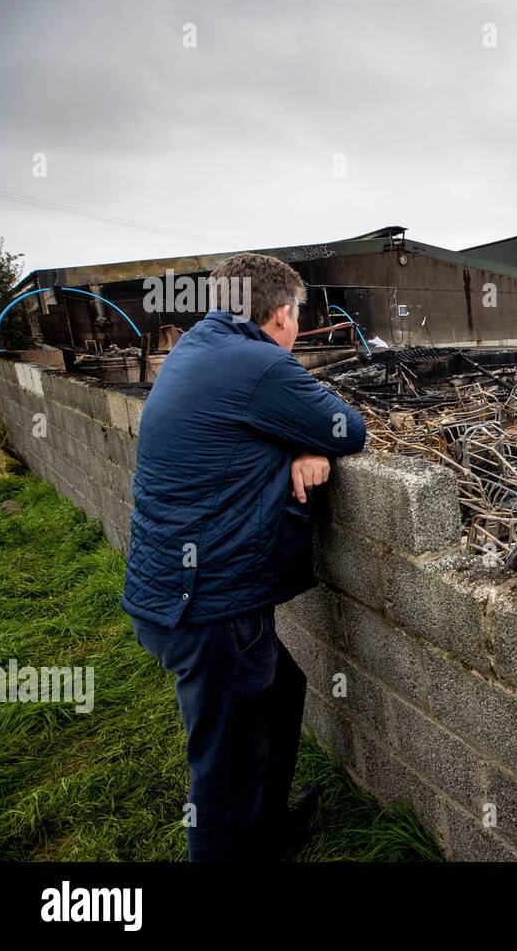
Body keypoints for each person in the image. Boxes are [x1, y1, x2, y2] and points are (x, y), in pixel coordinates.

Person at [122, 252, 367, 860]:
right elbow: (348, 429)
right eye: (297, 316)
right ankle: (235, 843)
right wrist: (307, 445)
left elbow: (236, 430)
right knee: (221, 775)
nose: (295, 329)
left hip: (167, 590)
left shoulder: (194, 352)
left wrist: (289, 446)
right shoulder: (257, 362)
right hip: (206, 606)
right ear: (281, 314)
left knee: (282, 691)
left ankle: (268, 832)